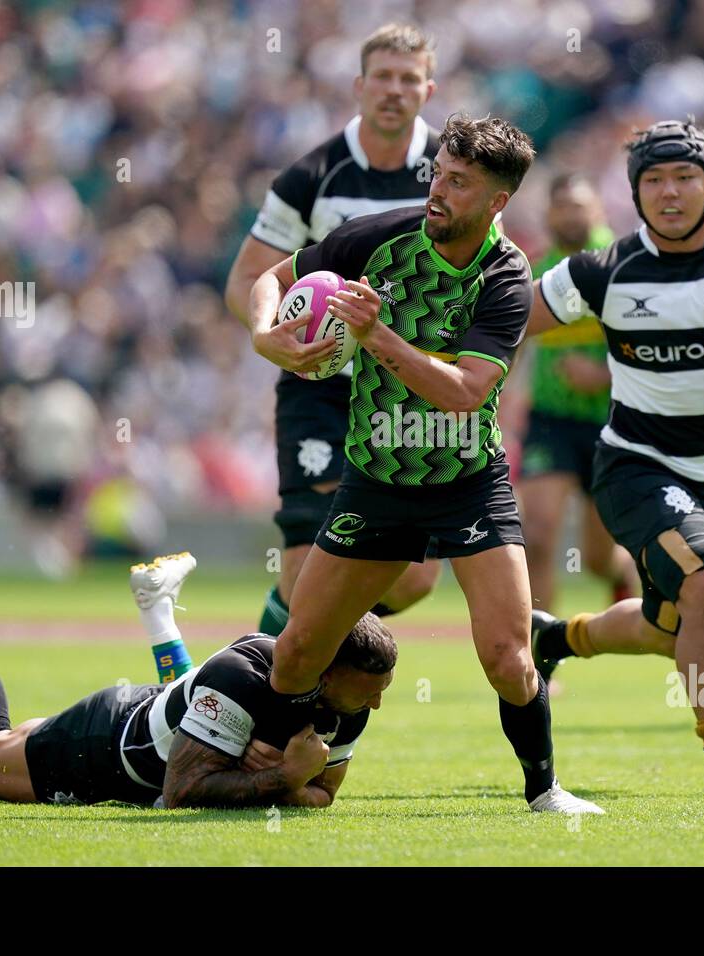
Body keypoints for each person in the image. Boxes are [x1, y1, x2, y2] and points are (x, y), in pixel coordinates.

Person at [249, 113, 600, 815]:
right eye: (439, 172)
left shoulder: (506, 274)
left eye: (460, 183)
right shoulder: (379, 235)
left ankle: (544, 790)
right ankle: (265, 772)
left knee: (509, 656)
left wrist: (375, 336)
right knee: (294, 654)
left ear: (497, 202)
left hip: (467, 485)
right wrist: (269, 339)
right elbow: (272, 276)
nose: (439, 190)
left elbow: (468, 393)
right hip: (375, 483)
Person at [525, 118, 704, 795]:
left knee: (670, 630)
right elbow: (509, 315)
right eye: (653, 179)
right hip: (634, 466)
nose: (670, 192)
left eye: (685, 176)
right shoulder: (605, 270)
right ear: (633, 193)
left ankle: (556, 639)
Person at [226, 24, 443, 643]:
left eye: (409, 80)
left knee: (412, 579)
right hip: (319, 386)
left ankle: (316, 651)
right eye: (383, 77)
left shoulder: (450, 174)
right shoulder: (311, 175)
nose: (395, 91)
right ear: (359, 85)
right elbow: (245, 277)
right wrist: (266, 334)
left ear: (429, 89)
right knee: (304, 573)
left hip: (410, 390)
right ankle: (267, 695)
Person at [0, 552, 393, 808]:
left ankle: (156, 603)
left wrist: (276, 778)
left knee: (191, 705)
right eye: (369, 692)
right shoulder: (242, 673)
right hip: (107, 743)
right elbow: (183, 790)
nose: (375, 706)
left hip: (169, 716)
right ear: (325, 671)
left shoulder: (347, 703)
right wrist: (283, 778)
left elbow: (324, 795)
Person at [517, 173, 636, 613]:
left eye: (580, 206)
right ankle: (542, 657)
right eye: (562, 207)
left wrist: (603, 373)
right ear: (549, 214)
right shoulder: (535, 269)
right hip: (551, 421)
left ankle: (623, 577)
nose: (571, 215)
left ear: (599, 211)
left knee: (598, 558)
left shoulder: (623, 264)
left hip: (613, 421)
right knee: (540, 534)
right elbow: (508, 343)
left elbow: (656, 343)